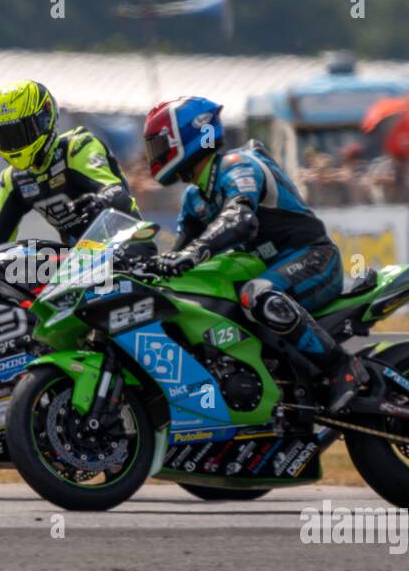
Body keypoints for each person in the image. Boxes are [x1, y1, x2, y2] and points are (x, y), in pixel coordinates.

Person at [142, 95, 365, 413]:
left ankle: (342, 367)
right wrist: (151, 267)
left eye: (160, 143)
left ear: (189, 135)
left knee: (255, 294)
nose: (155, 153)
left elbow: (240, 218)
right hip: (273, 268)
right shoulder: (195, 199)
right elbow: (180, 254)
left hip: (313, 258)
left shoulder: (237, 165)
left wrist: (193, 253)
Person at [0, 80, 139, 248]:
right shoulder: (13, 179)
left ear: (44, 120)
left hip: (128, 250)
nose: (14, 144)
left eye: (21, 132)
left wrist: (100, 199)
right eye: (6, 136)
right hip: (79, 262)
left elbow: (117, 192)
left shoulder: (77, 148)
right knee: (26, 253)